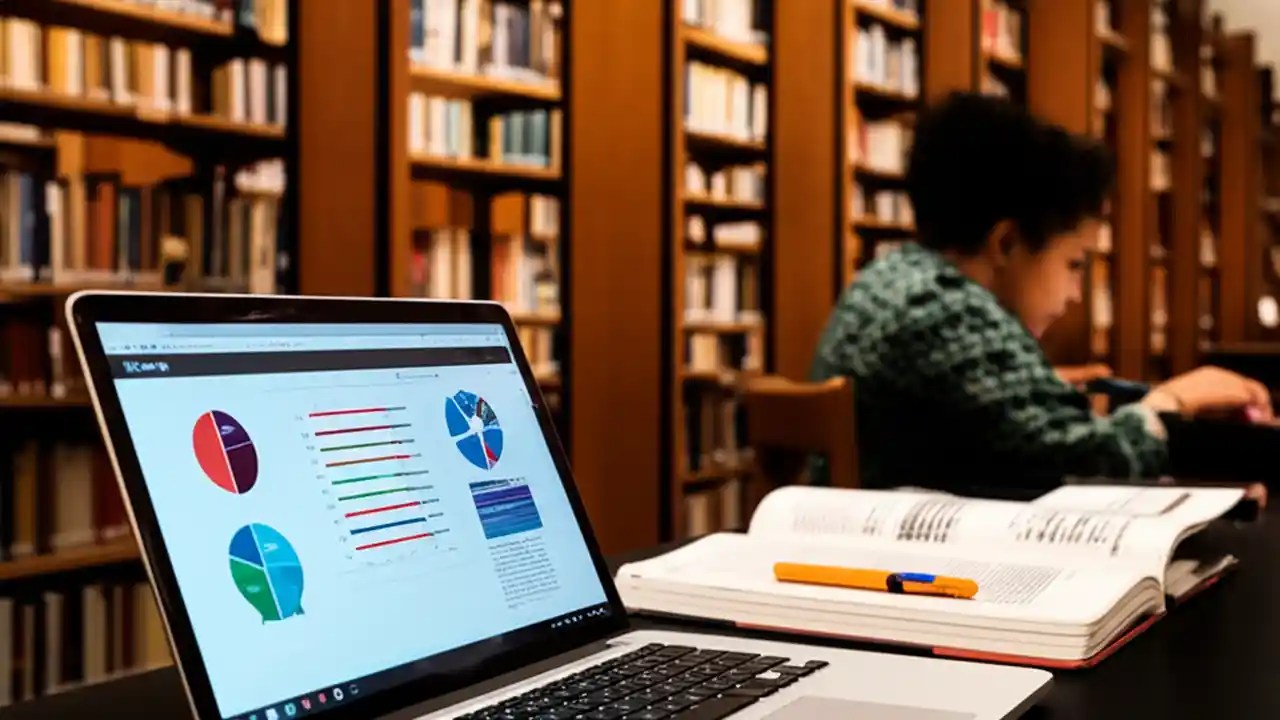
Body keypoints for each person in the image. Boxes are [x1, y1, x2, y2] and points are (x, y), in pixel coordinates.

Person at [809, 92, 1272, 499]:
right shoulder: (943, 308)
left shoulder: (895, 278)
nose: (1076, 294)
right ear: (1007, 244)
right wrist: (1173, 399)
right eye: (1074, 264)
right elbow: (1089, 462)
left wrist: (1040, 388)